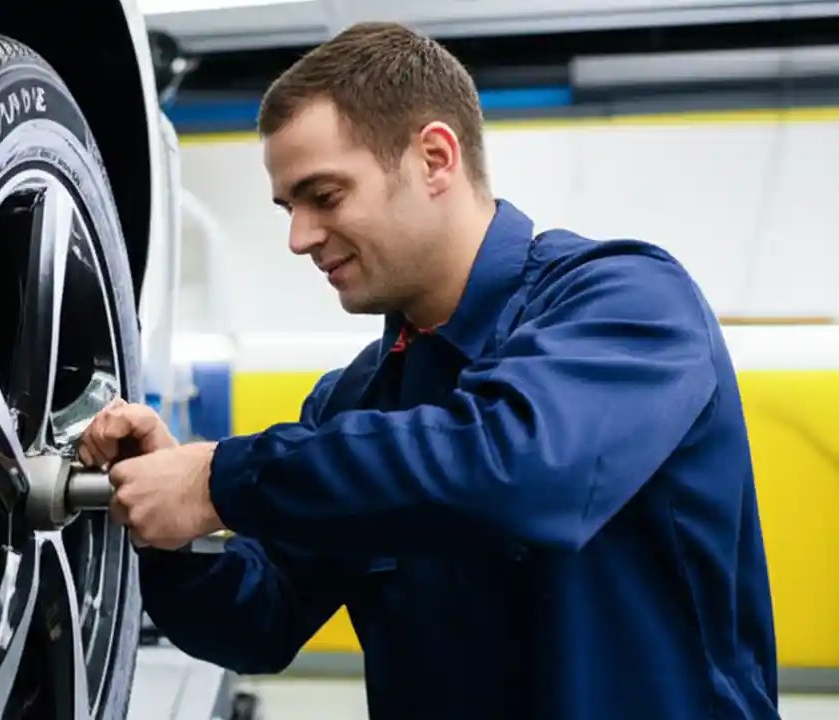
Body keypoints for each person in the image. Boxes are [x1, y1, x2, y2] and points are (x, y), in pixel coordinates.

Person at [78, 21, 779, 720]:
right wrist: (168, 532)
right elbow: (260, 620)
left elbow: (520, 470)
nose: (299, 238)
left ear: (435, 158)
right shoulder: (356, 401)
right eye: (289, 207)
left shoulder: (625, 301)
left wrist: (218, 479)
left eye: (325, 196)